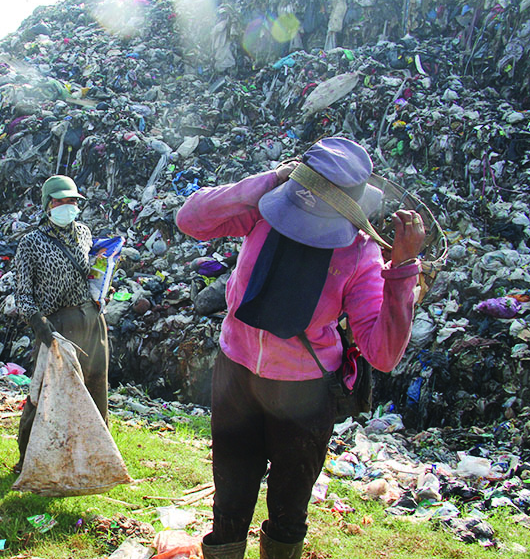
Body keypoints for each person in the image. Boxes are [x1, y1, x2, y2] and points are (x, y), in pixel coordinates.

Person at [176, 137, 425, 559]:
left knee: (289, 508)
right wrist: (270, 179)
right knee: (230, 499)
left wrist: (401, 270)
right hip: (236, 373)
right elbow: (191, 219)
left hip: (303, 393)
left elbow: (382, 354)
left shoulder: (359, 251)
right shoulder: (265, 209)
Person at [12, 174, 109, 473]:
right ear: (47, 205)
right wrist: (40, 326)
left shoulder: (83, 232)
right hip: (56, 325)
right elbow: (23, 294)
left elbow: (91, 270)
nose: (67, 206)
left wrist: (102, 287)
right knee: (45, 391)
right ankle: (28, 458)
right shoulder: (31, 243)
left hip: (91, 319)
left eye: (72, 201)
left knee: (95, 387)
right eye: (60, 201)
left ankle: (94, 456)